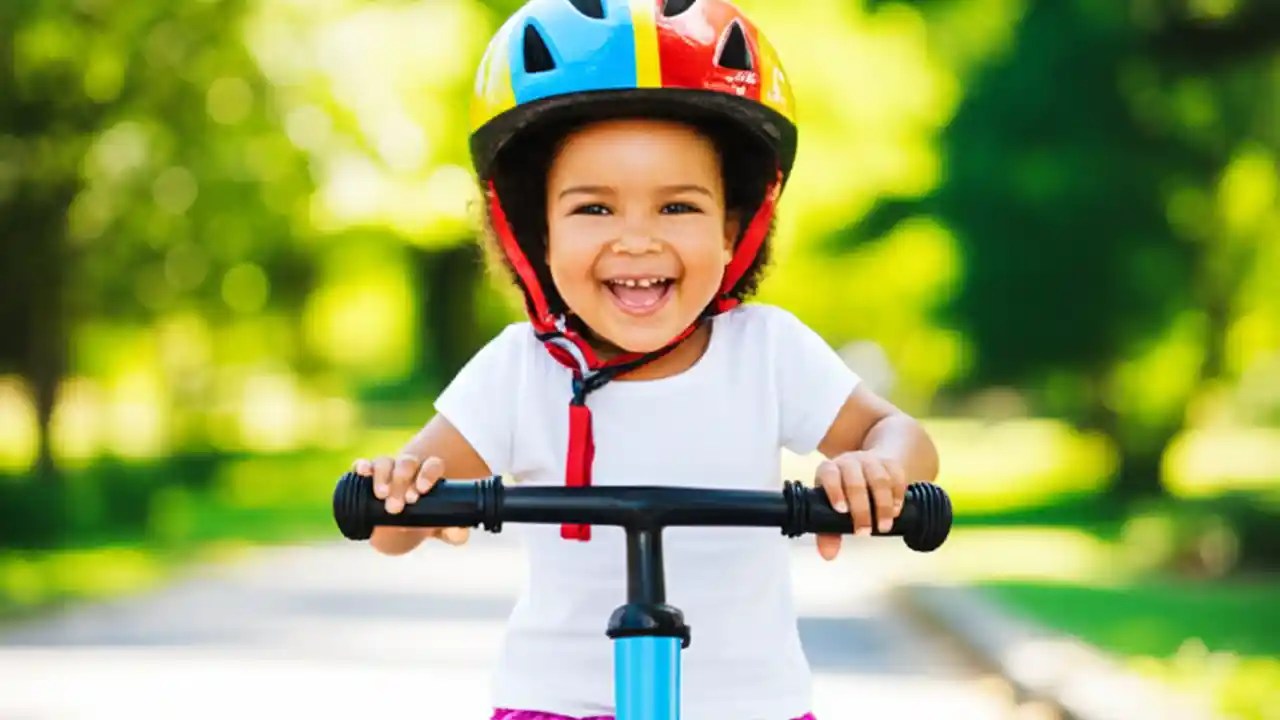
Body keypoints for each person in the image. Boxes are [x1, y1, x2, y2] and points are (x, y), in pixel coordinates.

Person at [352, 1, 940, 718]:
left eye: (677, 208)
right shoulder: (521, 370)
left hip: (749, 706)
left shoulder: (767, 352)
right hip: (555, 703)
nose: (636, 240)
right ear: (537, 232)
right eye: (594, 209)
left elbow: (908, 441)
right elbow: (390, 530)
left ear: (733, 231)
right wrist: (402, 491)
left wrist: (876, 467)